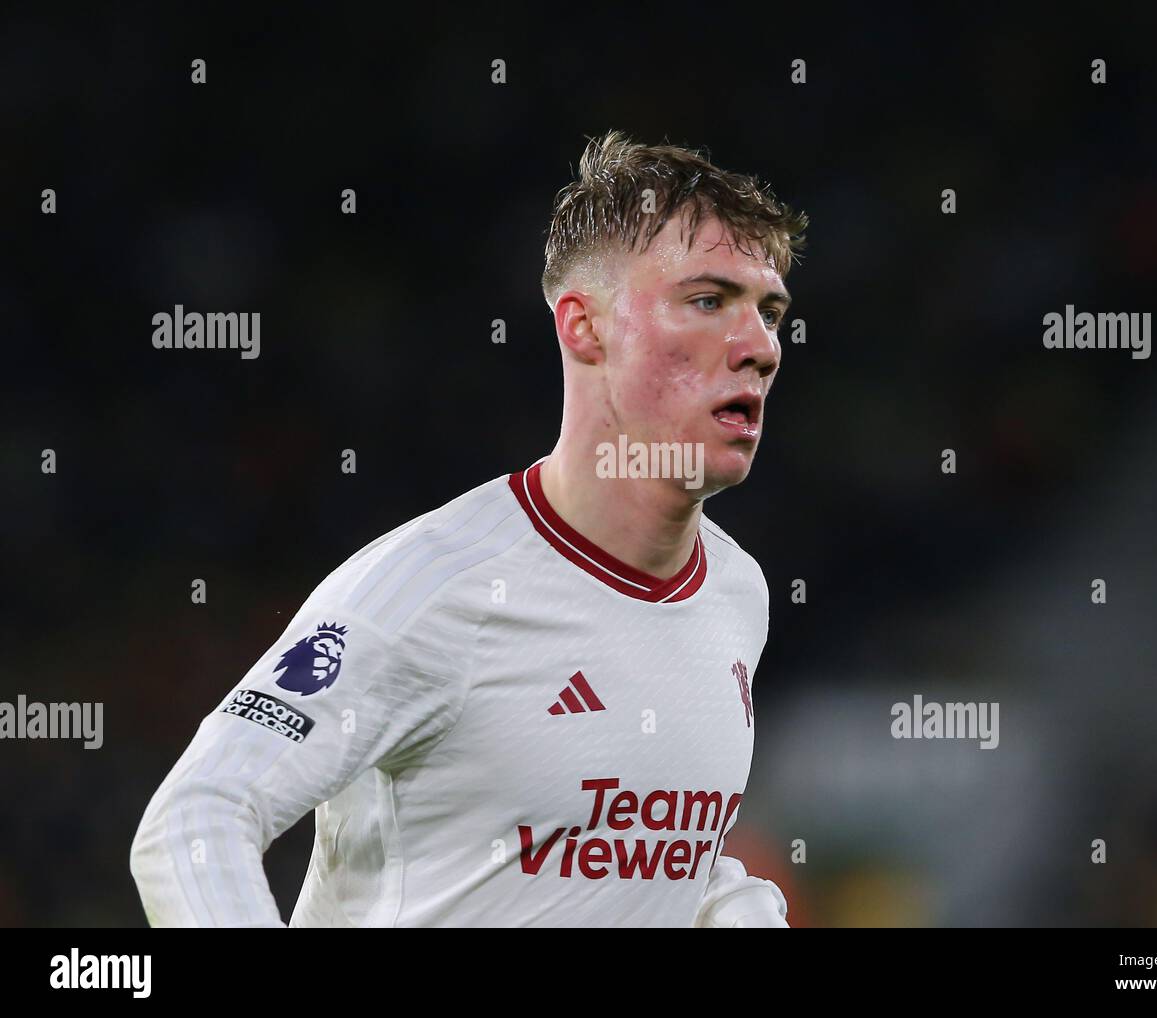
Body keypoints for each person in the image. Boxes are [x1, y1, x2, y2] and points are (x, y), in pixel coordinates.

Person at [130, 129, 808, 927]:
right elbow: (196, 820)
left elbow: (637, 857)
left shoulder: (737, 593)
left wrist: (733, 906)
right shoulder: (428, 590)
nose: (760, 346)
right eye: (708, 301)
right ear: (584, 327)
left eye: (769, 312)